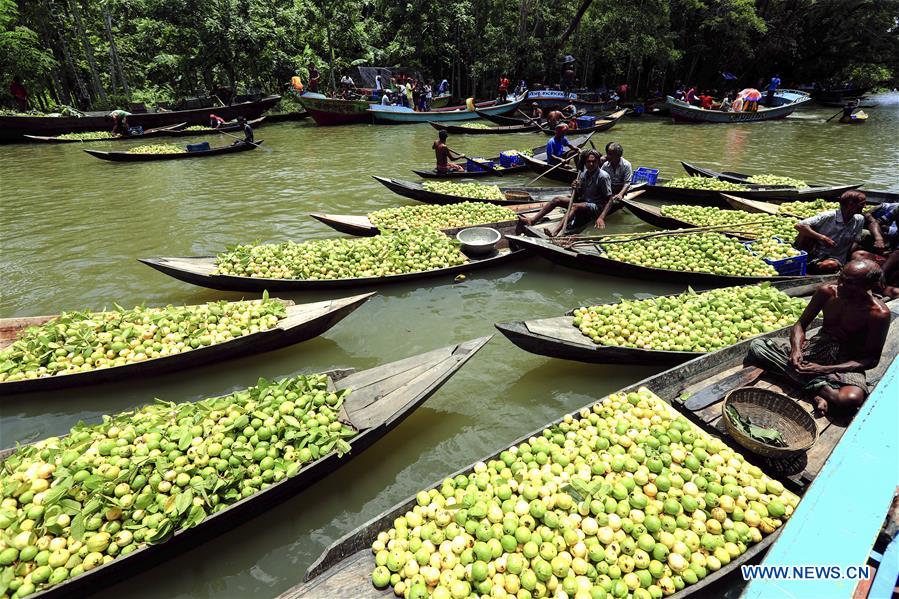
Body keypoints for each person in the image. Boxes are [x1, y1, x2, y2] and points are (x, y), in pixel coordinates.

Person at [747, 259, 891, 415]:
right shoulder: (827, 292)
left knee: (850, 399)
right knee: (758, 346)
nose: (841, 284)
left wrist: (825, 369)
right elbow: (800, 325)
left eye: (850, 283)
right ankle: (817, 389)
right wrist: (796, 349)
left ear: (867, 286)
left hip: (845, 361)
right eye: (841, 278)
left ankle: (809, 384)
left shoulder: (878, 314)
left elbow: (871, 359)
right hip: (817, 347)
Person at [521, 150, 613, 236]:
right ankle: (532, 220)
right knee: (556, 199)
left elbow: (610, 200)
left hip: (596, 206)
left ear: (598, 162)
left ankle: (555, 232)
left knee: (575, 206)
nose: (591, 164)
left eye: (594, 161)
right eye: (588, 162)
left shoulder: (603, 177)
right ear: (585, 163)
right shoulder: (583, 174)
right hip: (584, 202)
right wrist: (575, 187)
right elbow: (578, 195)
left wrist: (601, 217)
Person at [795, 190, 868, 274]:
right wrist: (823, 238)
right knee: (805, 231)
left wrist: (847, 259)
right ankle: (804, 261)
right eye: (862, 204)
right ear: (851, 205)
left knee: (829, 265)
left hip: (836, 258)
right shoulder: (828, 216)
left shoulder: (859, 219)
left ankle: (813, 268)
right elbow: (800, 225)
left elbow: (856, 240)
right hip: (815, 253)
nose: (865, 206)